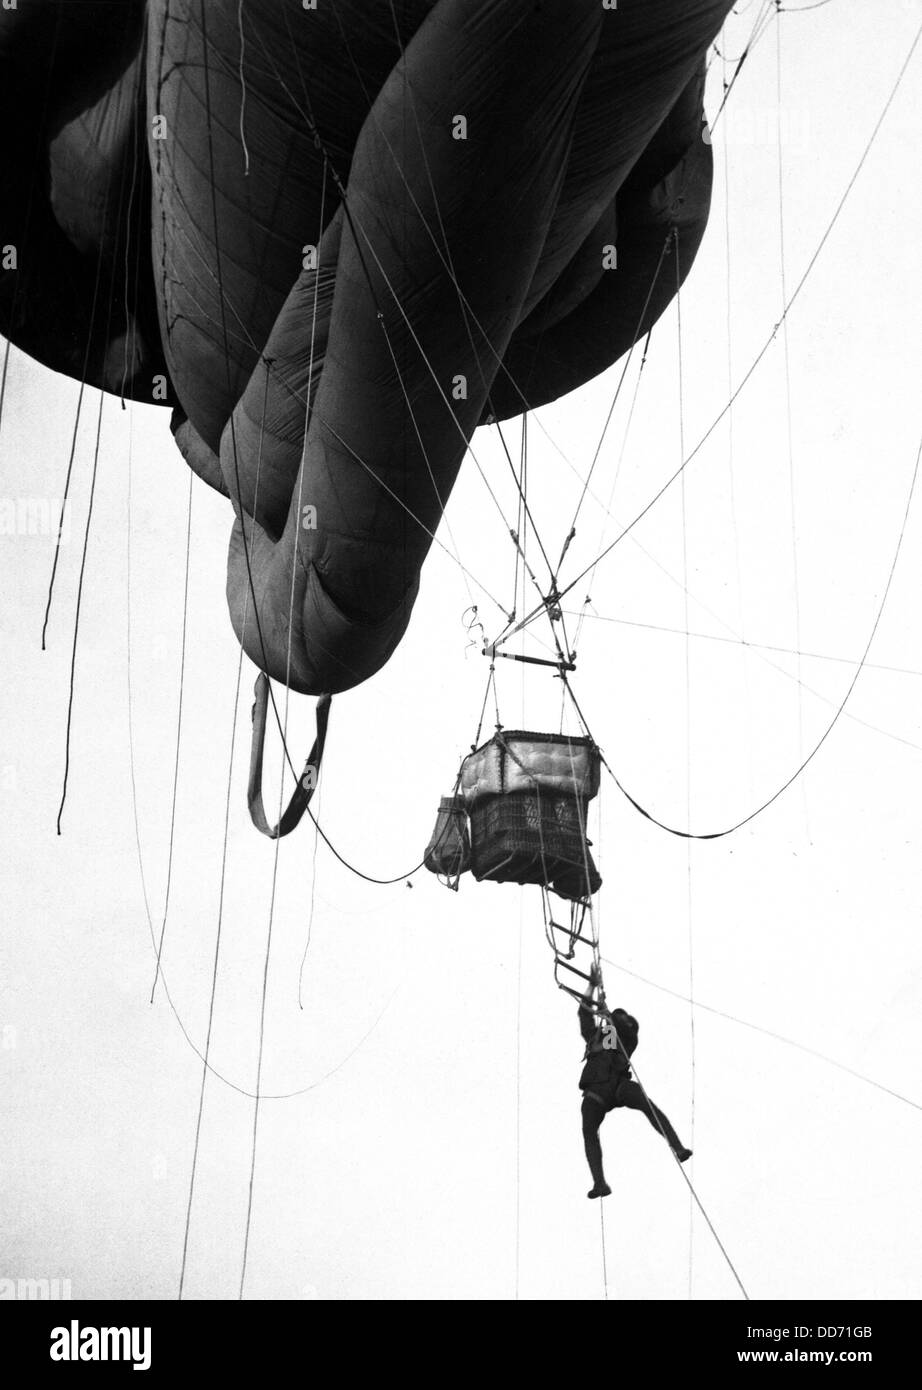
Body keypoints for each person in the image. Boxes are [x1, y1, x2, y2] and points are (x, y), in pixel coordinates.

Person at [579, 965, 692, 1198]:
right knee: (588, 1129)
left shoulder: (628, 1036)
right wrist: (591, 986)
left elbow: (620, 1029)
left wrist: (609, 1015)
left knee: (645, 1104)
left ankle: (677, 1147)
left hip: (618, 1084)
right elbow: (584, 1014)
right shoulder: (596, 1036)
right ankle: (600, 1183)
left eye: (623, 1017)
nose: (620, 1018)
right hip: (595, 1092)